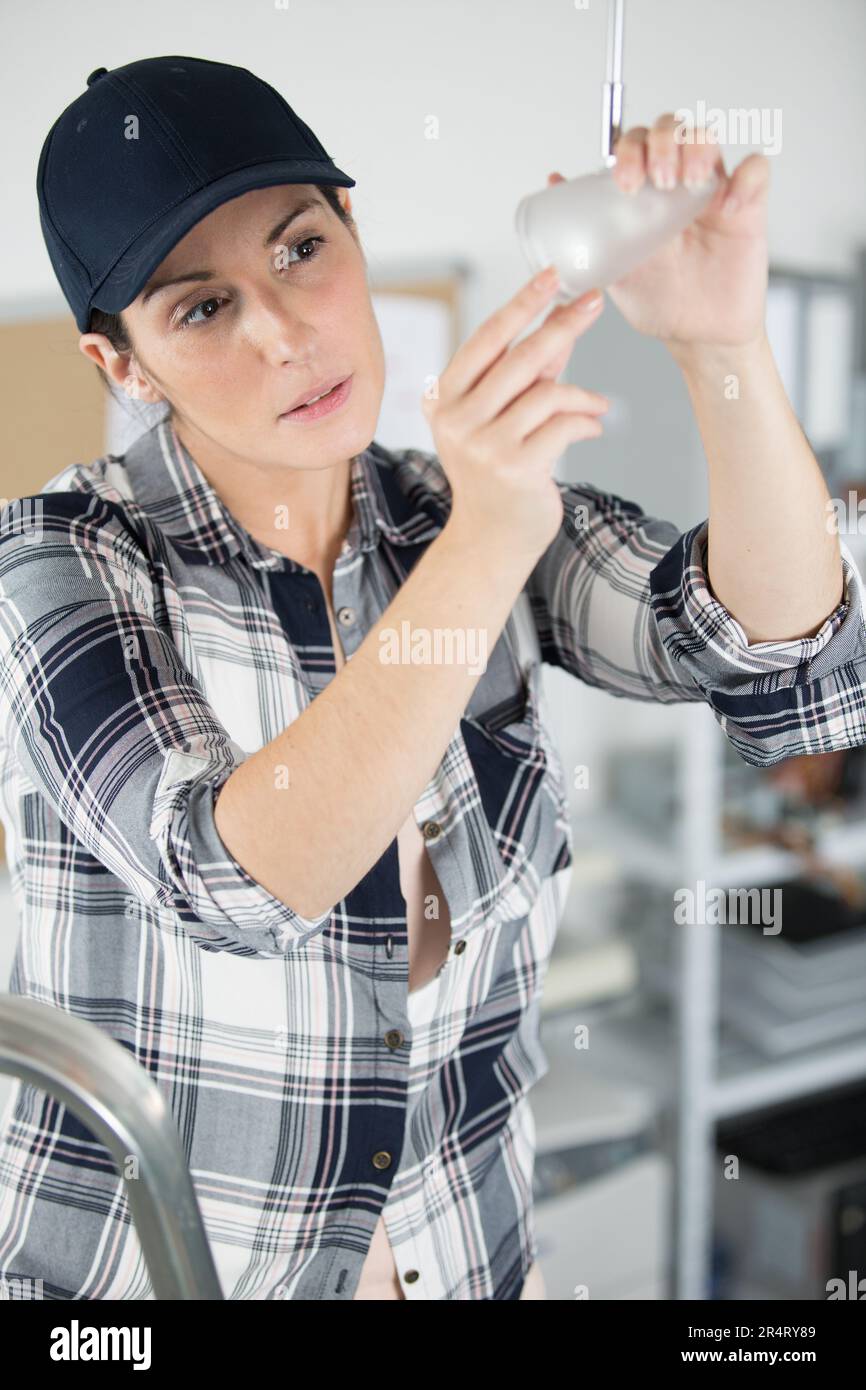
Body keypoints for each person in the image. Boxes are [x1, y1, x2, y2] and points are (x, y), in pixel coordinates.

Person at [0, 55, 864, 1302]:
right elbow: (232, 878)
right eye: (199, 309)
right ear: (121, 364)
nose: (285, 331)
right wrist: (484, 546)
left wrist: (721, 343)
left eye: (299, 248)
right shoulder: (58, 560)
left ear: (350, 226)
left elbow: (769, 650)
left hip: (468, 1261)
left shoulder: (449, 506)